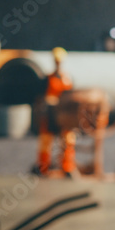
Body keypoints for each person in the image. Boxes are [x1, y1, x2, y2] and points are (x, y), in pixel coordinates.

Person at [36, 47, 75, 176]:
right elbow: (40, 98)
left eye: (59, 62)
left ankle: (67, 167)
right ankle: (43, 168)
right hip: (50, 115)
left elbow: (72, 97)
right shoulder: (47, 79)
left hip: (64, 116)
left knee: (68, 140)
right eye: (56, 61)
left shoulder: (68, 79)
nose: (58, 64)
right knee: (46, 141)